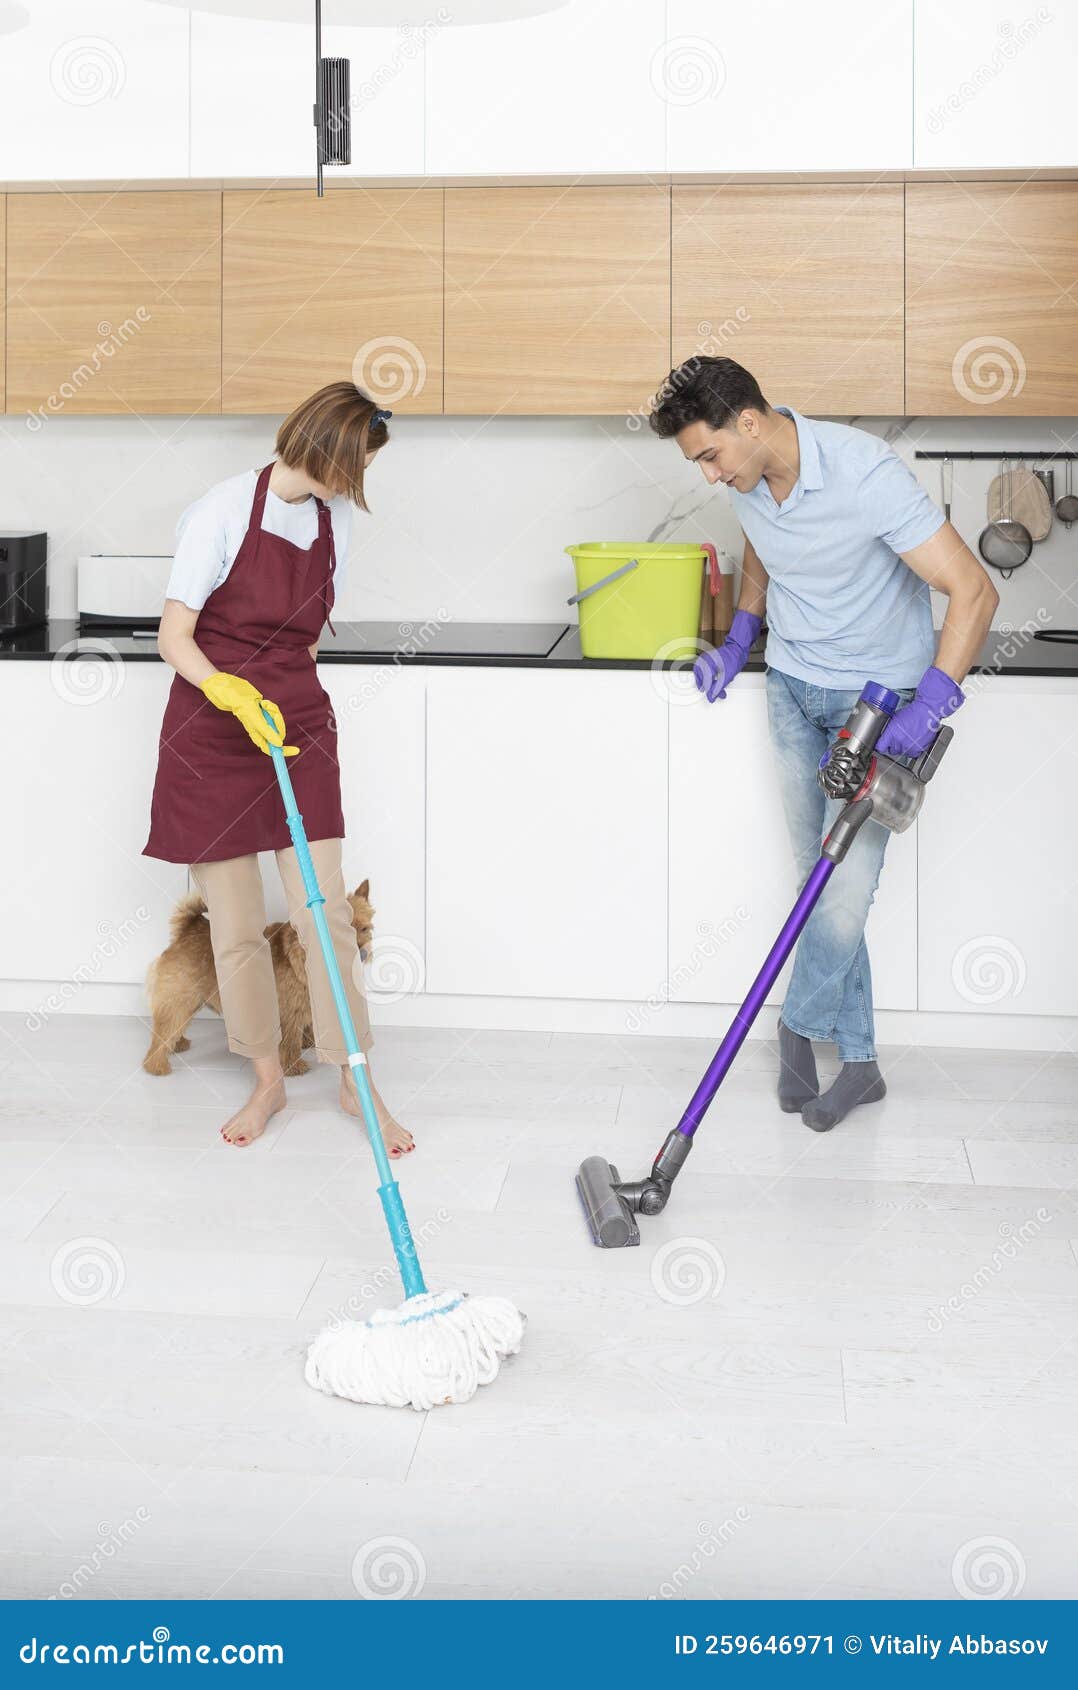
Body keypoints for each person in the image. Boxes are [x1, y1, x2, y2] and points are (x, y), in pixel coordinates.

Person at [649, 357, 998, 1130]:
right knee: (821, 878)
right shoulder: (748, 479)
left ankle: (797, 1027)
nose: (708, 475)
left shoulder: (863, 473)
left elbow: (974, 590)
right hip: (791, 690)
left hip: (874, 706)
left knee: (841, 891)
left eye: (709, 455)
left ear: (748, 422)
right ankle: (862, 1063)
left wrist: (929, 704)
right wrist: (741, 635)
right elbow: (763, 546)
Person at [144, 381, 414, 1155]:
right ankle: (267, 1080)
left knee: (322, 912)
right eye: (355, 466)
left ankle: (355, 1080)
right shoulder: (222, 510)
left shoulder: (335, 518)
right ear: (325, 452)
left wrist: (286, 702)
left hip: (295, 723)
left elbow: (308, 636)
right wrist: (230, 692)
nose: (357, 484)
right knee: (233, 926)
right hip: (211, 727)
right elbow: (173, 636)